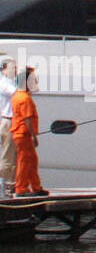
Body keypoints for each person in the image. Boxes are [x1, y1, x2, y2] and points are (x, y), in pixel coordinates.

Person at [11, 67, 45, 197]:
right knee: (25, 161)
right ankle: (21, 188)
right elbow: (27, 119)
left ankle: (36, 187)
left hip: (20, 134)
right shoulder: (25, 98)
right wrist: (34, 136)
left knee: (31, 160)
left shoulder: (18, 96)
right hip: (23, 134)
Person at [0, 57, 15, 197]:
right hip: (9, 121)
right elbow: (16, 94)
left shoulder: (9, 82)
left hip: (11, 121)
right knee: (7, 155)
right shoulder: (4, 83)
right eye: (12, 67)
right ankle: (3, 185)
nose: (14, 70)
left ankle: (10, 184)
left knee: (13, 155)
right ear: (4, 69)